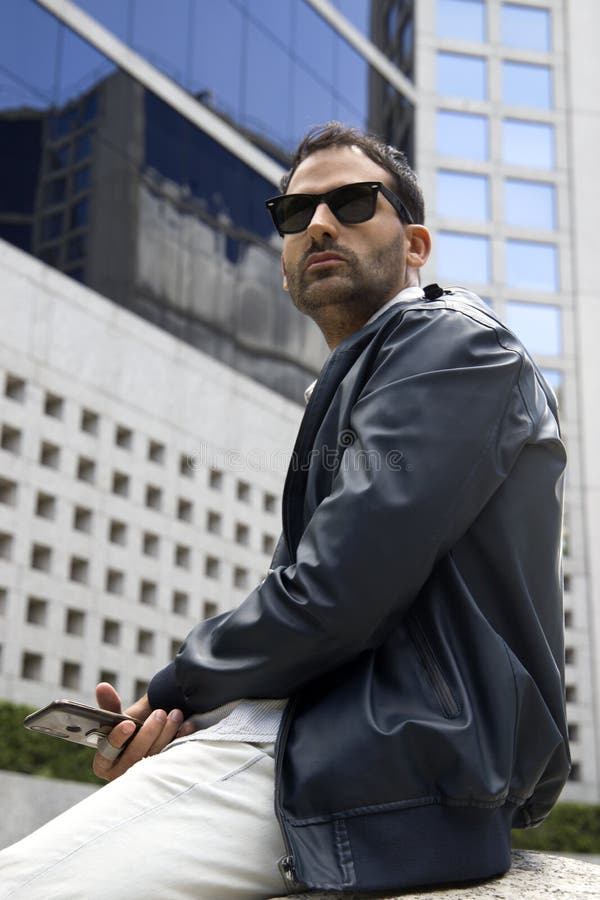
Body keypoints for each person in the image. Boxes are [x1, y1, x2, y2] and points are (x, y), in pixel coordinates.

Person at [0, 122, 570, 898]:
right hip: (331, 738)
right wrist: (194, 719)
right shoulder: (363, 380)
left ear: (416, 244)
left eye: (354, 201)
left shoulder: (453, 347)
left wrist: (175, 689)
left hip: (383, 753)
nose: (321, 225)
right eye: (296, 214)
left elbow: (337, 591)